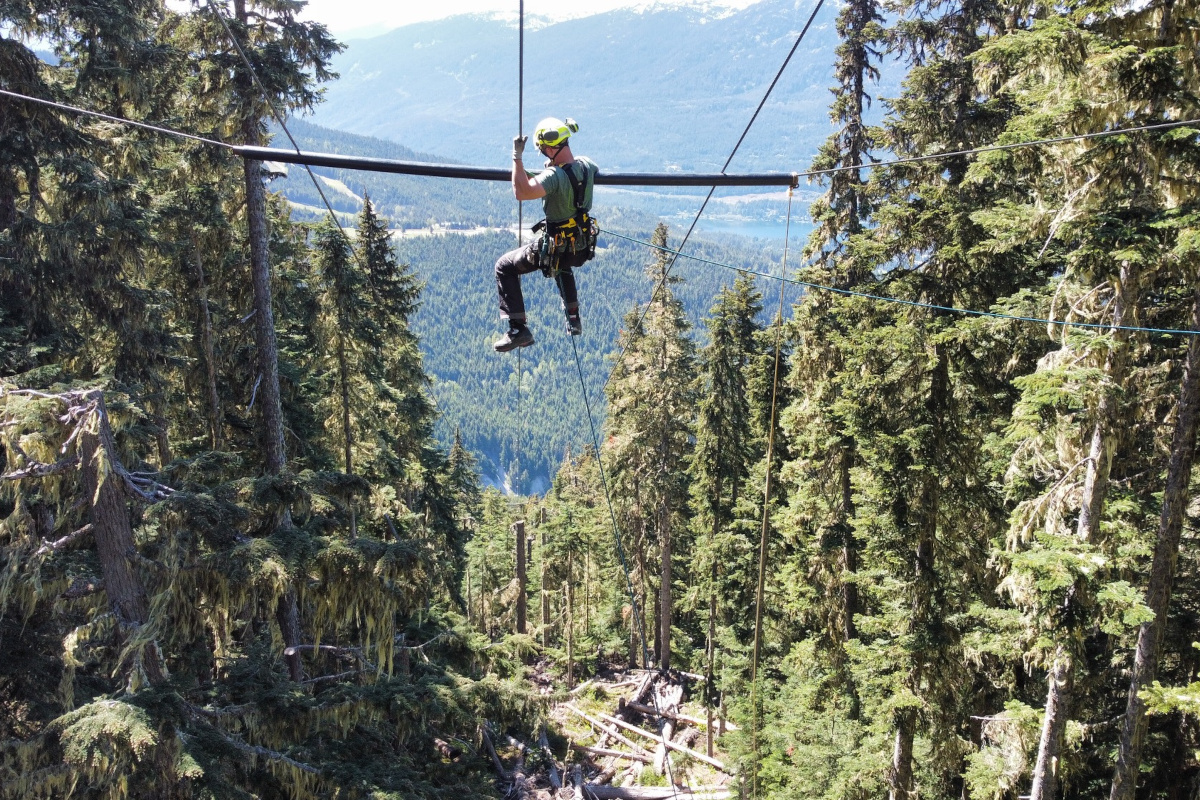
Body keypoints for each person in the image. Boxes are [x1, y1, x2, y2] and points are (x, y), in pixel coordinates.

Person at [493, 116, 599, 352]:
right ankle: (573, 318)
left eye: (542, 150)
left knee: (504, 266)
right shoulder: (586, 165)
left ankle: (518, 329)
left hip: (555, 247)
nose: (542, 153)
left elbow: (522, 192)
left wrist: (517, 158)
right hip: (579, 248)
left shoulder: (554, 177)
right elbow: (573, 176)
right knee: (563, 264)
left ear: (551, 147)